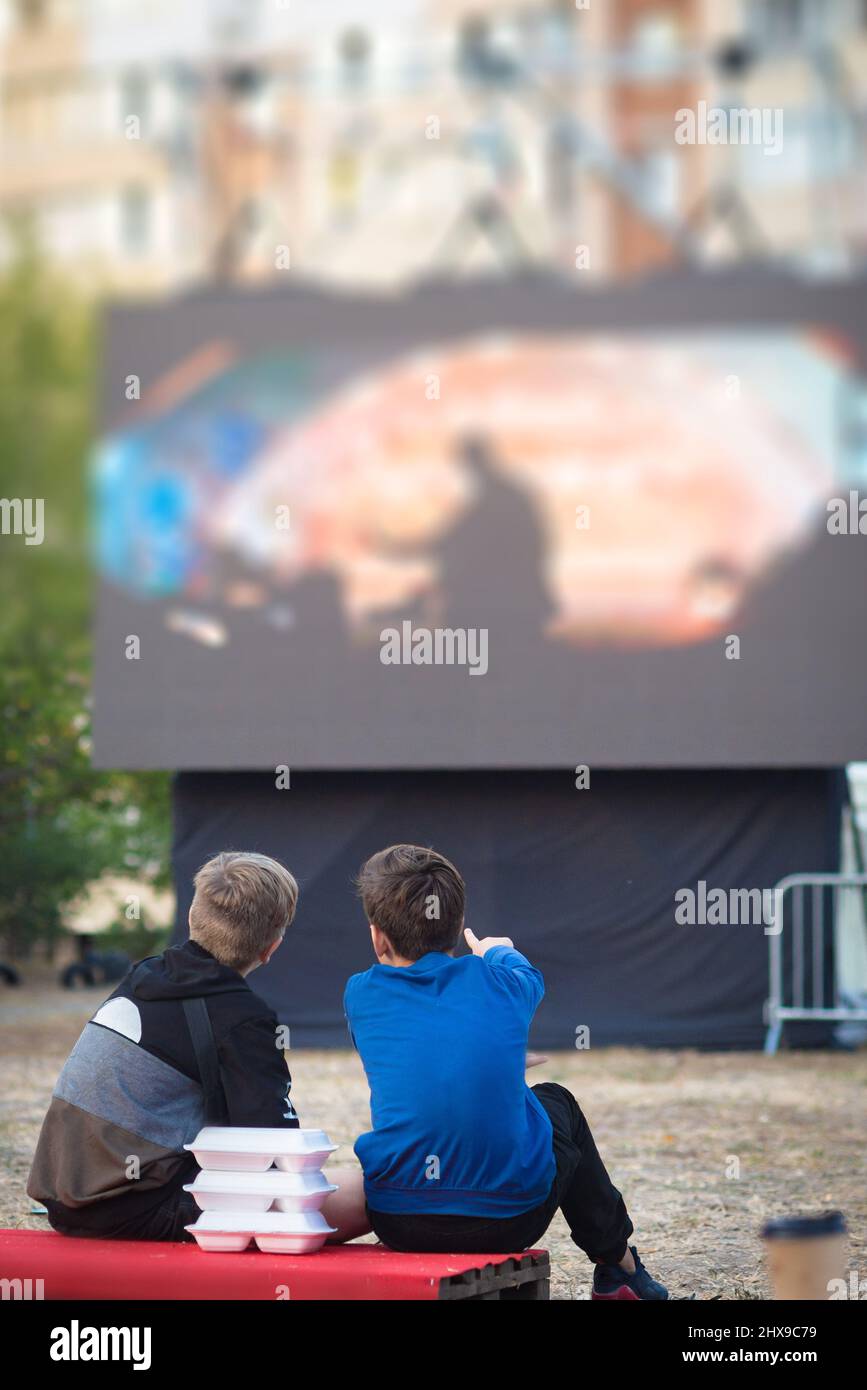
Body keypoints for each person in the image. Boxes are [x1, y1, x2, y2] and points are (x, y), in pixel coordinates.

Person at [344, 843, 668, 1299]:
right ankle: (619, 1267)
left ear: (378, 937)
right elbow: (527, 976)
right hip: (512, 1218)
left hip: (399, 1217)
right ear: (457, 927)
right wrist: (497, 951)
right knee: (558, 1101)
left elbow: (419, 1055)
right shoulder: (503, 981)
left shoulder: (360, 994)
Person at [28, 850, 367, 1243]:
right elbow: (274, 1145)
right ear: (272, 946)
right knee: (362, 1195)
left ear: (191, 917)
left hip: (65, 1199)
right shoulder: (242, 1017)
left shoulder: (144, 977)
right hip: (130, 1208)